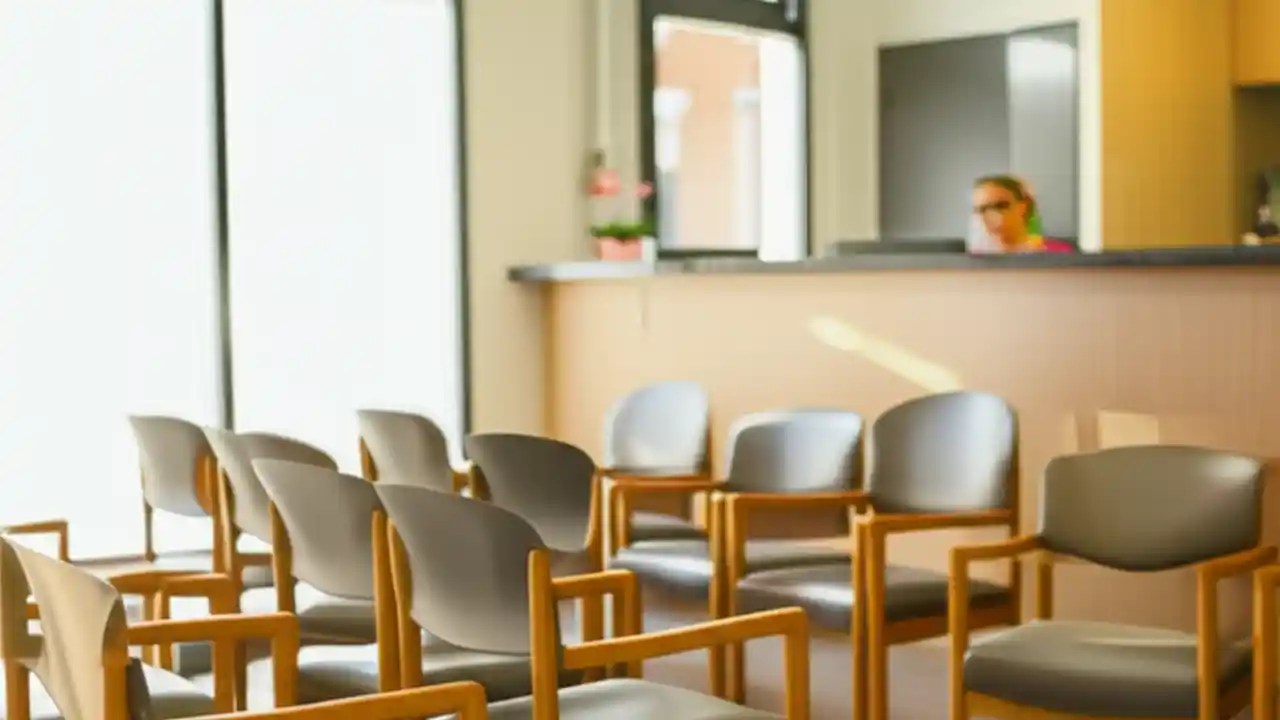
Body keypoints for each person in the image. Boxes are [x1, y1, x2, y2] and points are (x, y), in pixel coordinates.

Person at [968, 175, 1074, 254]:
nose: (991, 215)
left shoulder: (1058, 253)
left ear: (1023, 207)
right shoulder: (976, 259)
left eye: (1000, 206)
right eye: (981, 210)